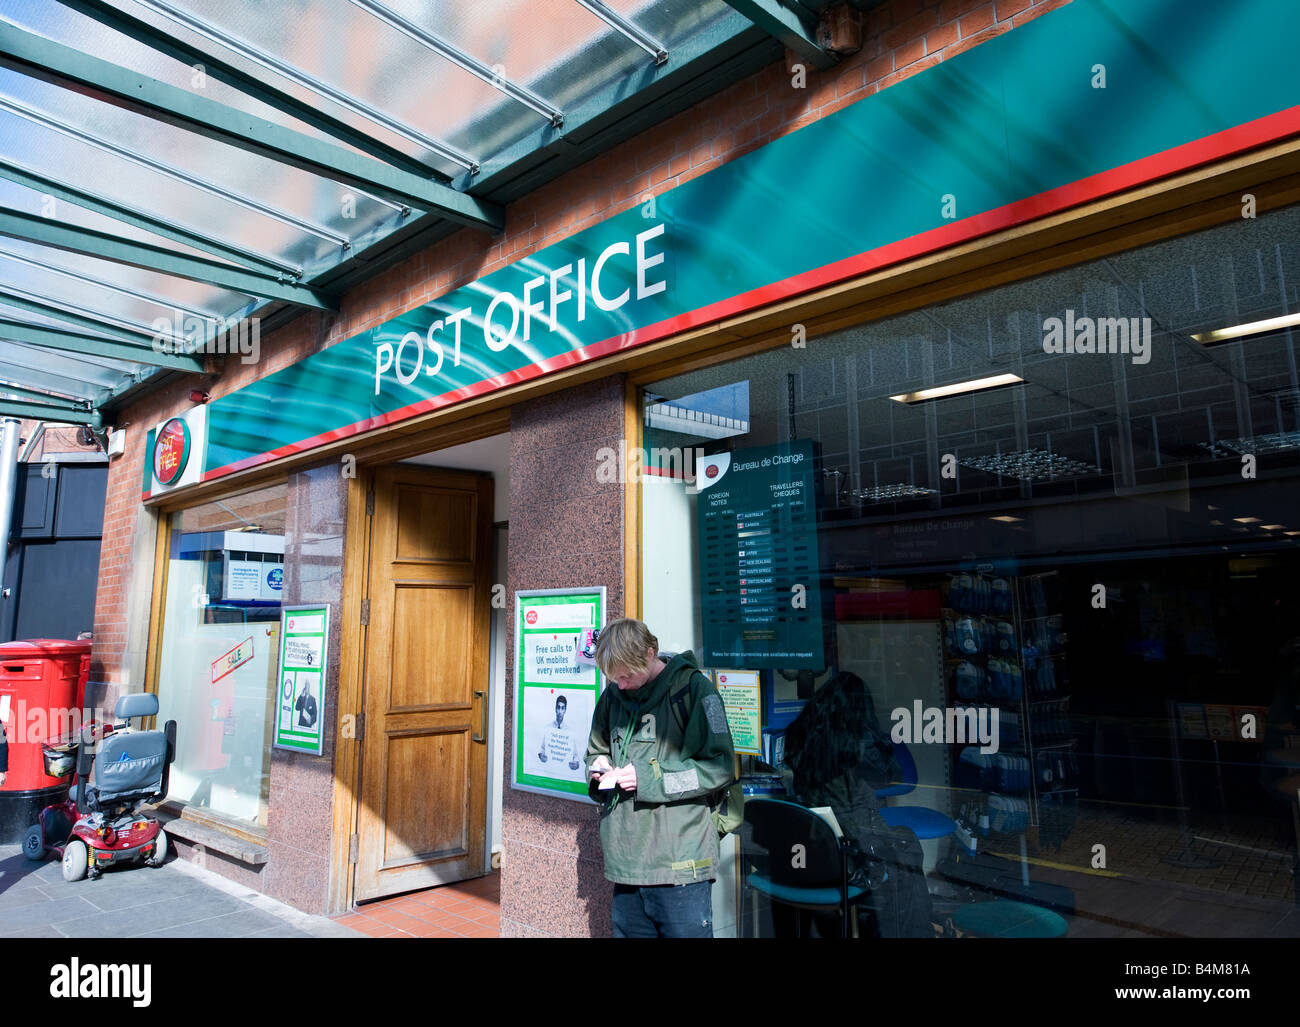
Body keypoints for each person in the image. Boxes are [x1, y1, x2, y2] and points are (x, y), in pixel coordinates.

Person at [585, 618, 736, 938]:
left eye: (626, 675)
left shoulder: (696, 691)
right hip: (627, 862)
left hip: (680, 864)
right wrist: (597, 767)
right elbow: (595, 749)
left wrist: (648, 778)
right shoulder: (614, 695)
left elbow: (718, 768)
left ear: (651, 653)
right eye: (614, 678)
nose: (621, 684)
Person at [537, 695, 581, 771]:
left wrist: (576, 764)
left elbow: (576, 757)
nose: (560, 711)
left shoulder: (570, 732)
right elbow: (542, 749)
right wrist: (541, 755)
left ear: (565, 710)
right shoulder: (548, 728)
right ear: (555, 708)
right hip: (548, 771)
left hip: (564, 773)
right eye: (558, 707)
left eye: (562, 708)